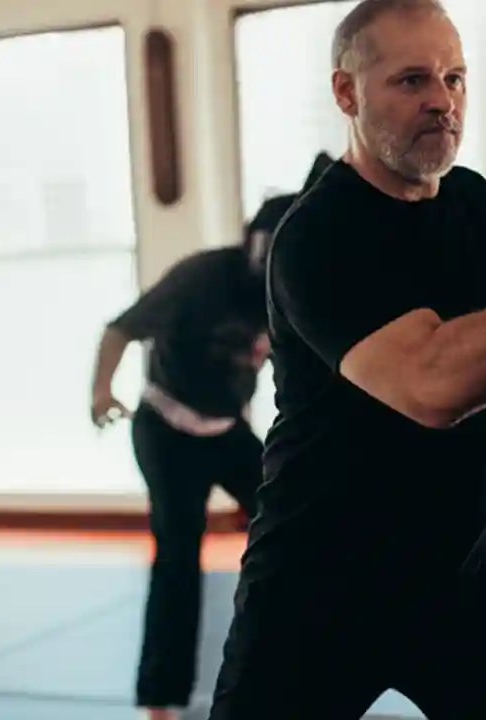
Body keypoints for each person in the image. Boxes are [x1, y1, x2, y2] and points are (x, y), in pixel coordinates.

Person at [207, 2, 486, 718]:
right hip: (316, 592)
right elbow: (434, 384)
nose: (443, 102)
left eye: (455, 78)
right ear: (347, 94)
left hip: (456, 583)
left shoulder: (471, 203)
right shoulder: (317, 236)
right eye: (412, 80)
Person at [89, 161, 321, 720]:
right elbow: (120, 328)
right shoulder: (202, 278)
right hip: (166, 431)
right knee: (176, 554)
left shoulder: (295, 289)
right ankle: (160, 698)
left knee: (300, 529)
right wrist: (101, 393)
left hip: (227, 430)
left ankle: (305, 668)